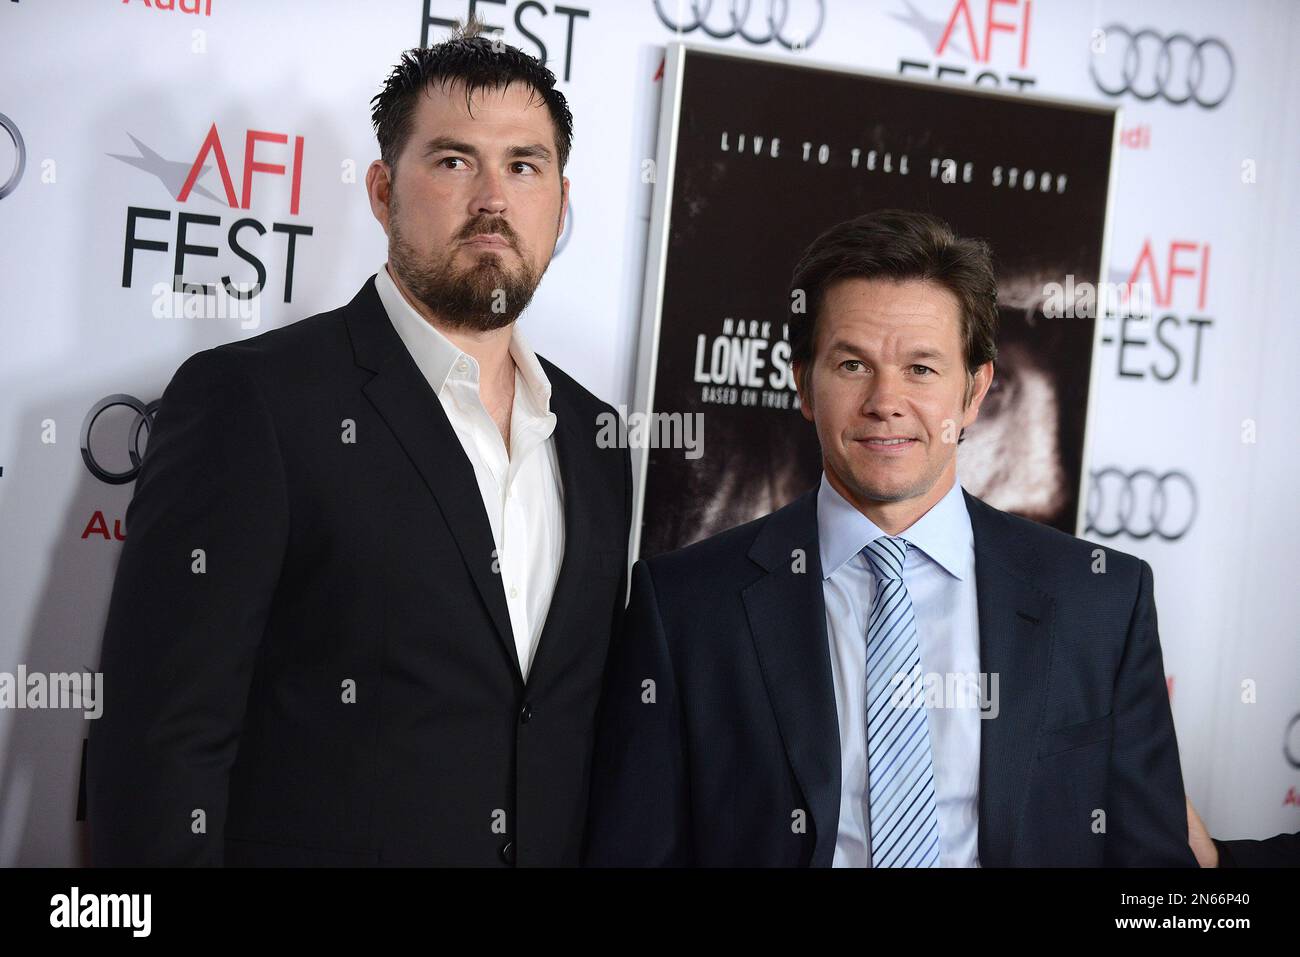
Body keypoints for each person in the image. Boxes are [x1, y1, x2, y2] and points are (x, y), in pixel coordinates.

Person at [88, 21, 631, 867]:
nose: (493, 196)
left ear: (561, 202)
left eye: (524, 166)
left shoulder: (598, 437)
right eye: (454, 161)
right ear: (382, 190)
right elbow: (160, 741)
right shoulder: (253, 402)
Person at [585, 209, 1195, 867]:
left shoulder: (1100, 600)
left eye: (922, 369)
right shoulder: (684, 606)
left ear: (974, 390)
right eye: (852, 364)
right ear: (803, 384)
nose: (886, 400)